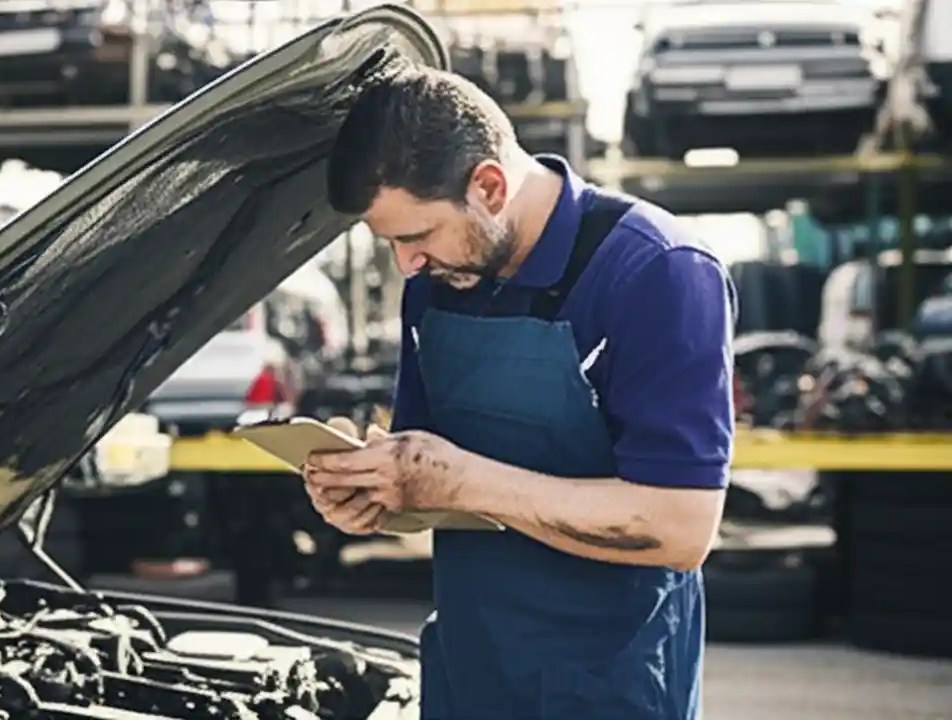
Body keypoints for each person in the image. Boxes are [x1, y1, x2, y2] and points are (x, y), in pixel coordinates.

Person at [302, 62, 736, 719]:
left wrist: (458, 482)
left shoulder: (660, 273)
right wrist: (376, 492)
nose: (406, 265)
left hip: (610, 684)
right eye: (389, 243)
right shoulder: (439, 281)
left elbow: (680, 526)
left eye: (415, 236)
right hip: (467, 669)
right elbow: (434, 477)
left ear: (489, 185)